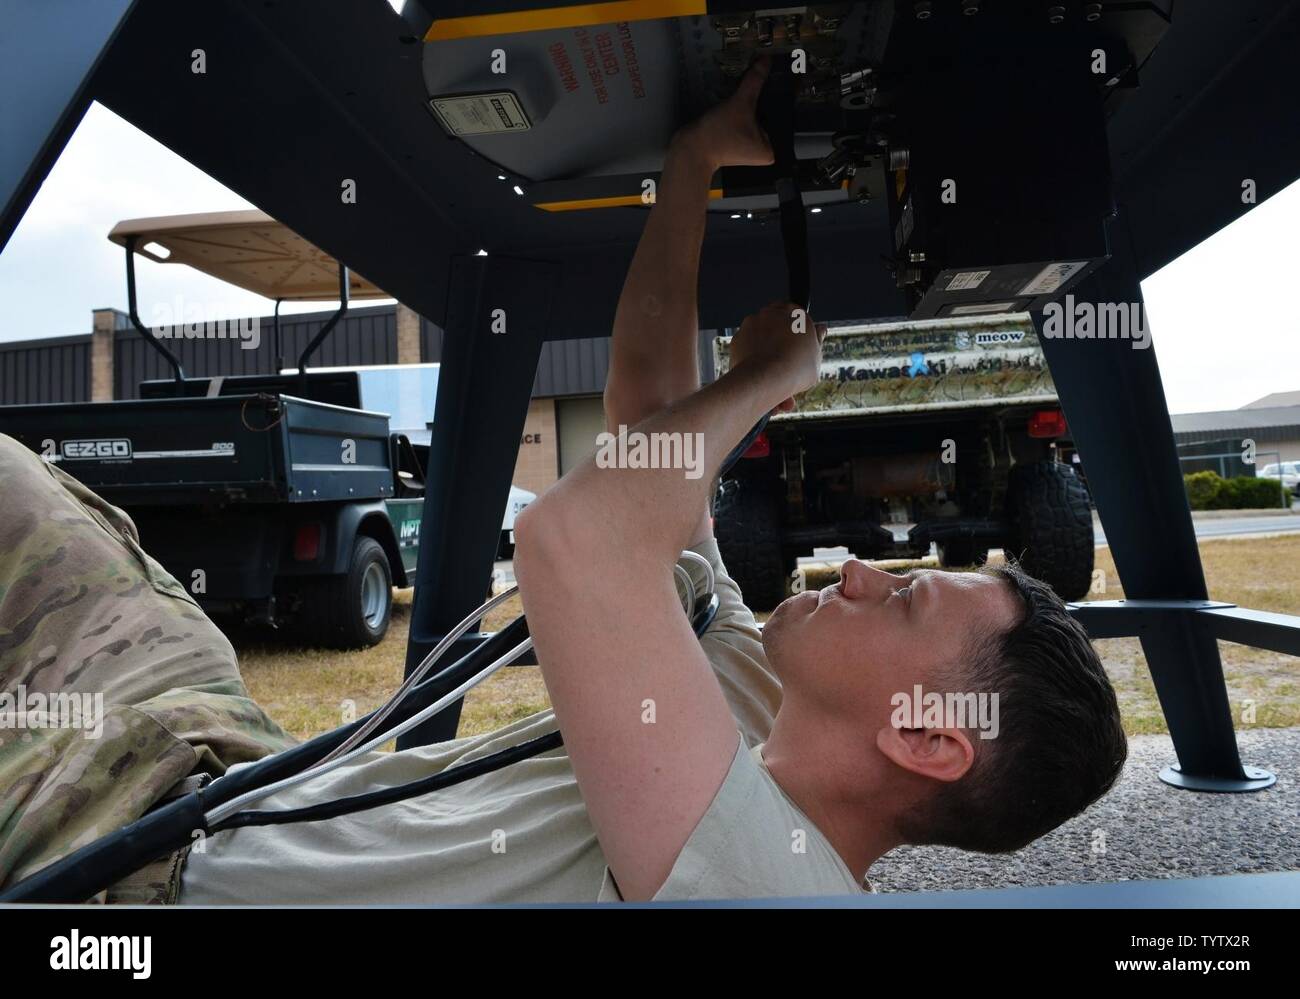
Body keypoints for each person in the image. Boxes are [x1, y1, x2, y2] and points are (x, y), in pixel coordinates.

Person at [0, 60, 1126, 905]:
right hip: (228, 772)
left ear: (928, 739)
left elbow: (577, 541)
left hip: (129, 870)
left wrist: (769, 383)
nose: (874, 570)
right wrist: (688, 170)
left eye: (918, 600)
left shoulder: (775, 888)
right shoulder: (752, 706)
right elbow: (641, 422)